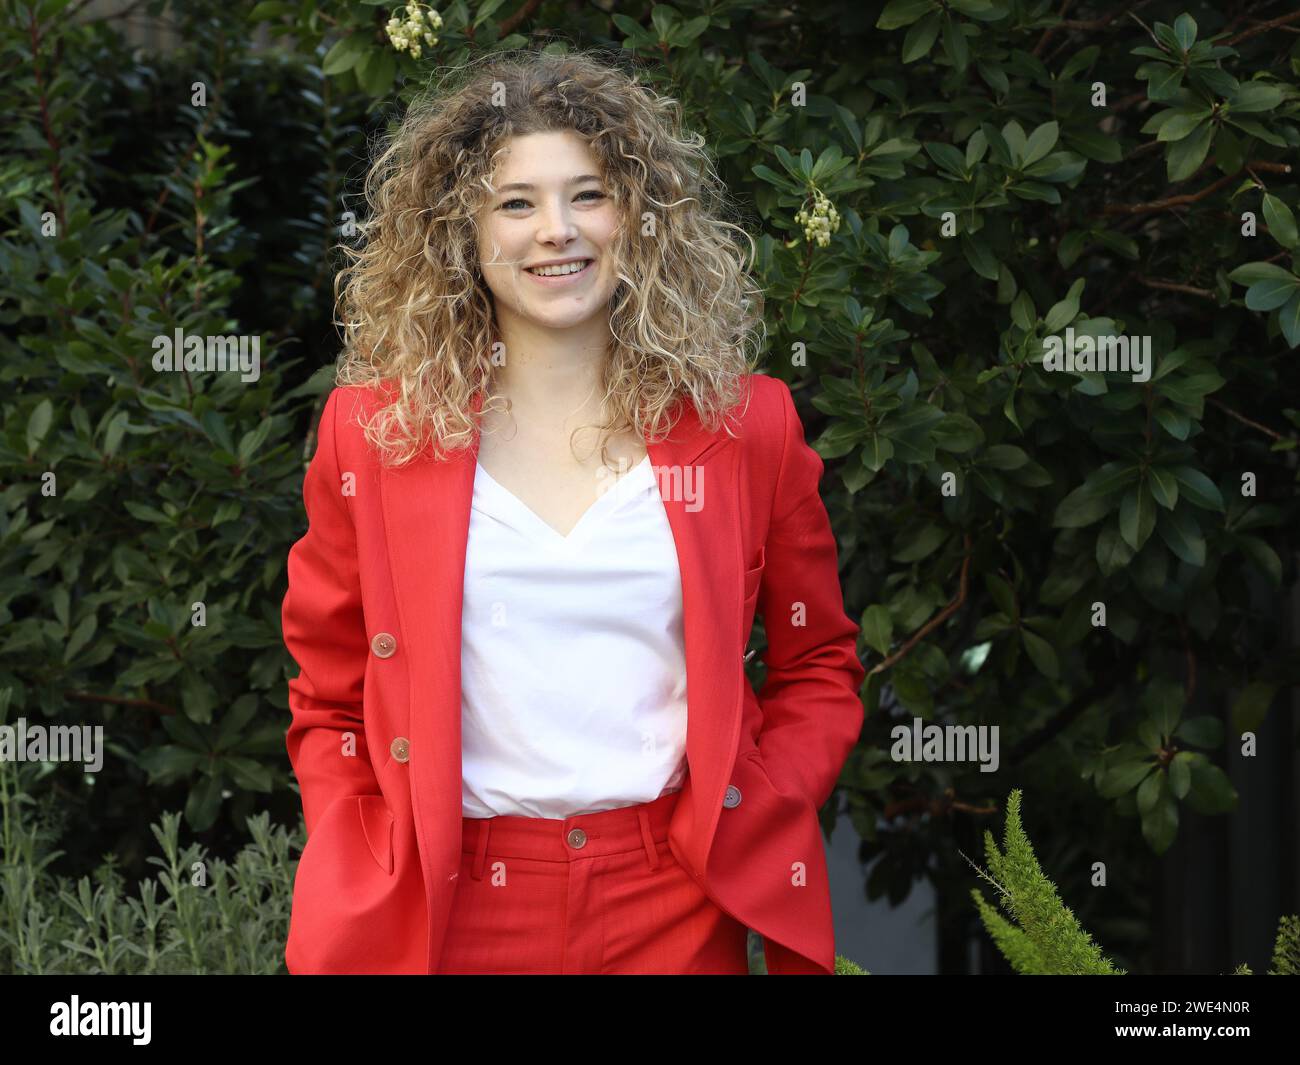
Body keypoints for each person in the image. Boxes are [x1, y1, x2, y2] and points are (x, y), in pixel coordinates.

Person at [281, 49, 865, 975]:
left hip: (673, 898)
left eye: (589, 195)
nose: (557, 230)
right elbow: (328, 696)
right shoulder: (376, 437)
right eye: (516, 203)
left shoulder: (745, 427)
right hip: (450, 904)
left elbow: (818, 662)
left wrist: (761, 799)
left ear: (638, 214)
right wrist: (364, 845)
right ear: (461, 232)